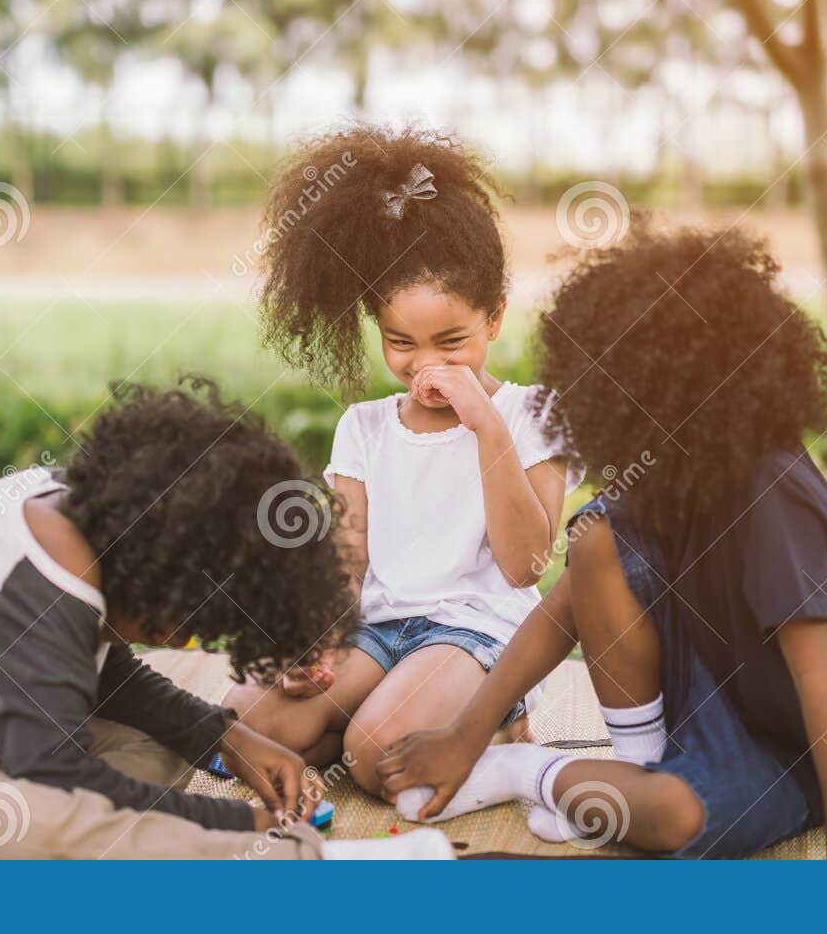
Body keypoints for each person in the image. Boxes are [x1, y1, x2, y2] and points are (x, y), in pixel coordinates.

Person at [0, 378, 452, 860]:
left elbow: (106, 677)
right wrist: (246, 821)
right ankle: (308, 866)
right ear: (161, 564)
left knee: (160, 746)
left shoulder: (69, 512)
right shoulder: (45, 572)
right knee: (63, 822)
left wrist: (230, 739)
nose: (183, 638)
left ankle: (169, 834)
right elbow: (52, 773)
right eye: (189, 620)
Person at [378, 226, 827, 859]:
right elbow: (560, 609)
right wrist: (463, 735)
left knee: (674, 818)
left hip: (792, 747)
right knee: (597, 534)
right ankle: (640, 762)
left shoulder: (769, 490)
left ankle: (527, 772)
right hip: (713, 677)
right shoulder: (675, 463)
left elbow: (825, 677)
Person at [225, 124, 582, 796]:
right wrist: (316, 639)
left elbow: (526, 563)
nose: (427, 366)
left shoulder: (533, 414)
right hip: (383, 625)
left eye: (452, 341)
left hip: (477, 632)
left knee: (374, 756)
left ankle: (503, 725)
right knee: (249, 725)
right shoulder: (364, 426)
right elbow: (350, 563)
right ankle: (373, 708)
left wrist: (485, 423)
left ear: (495, 318)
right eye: (401, 343)